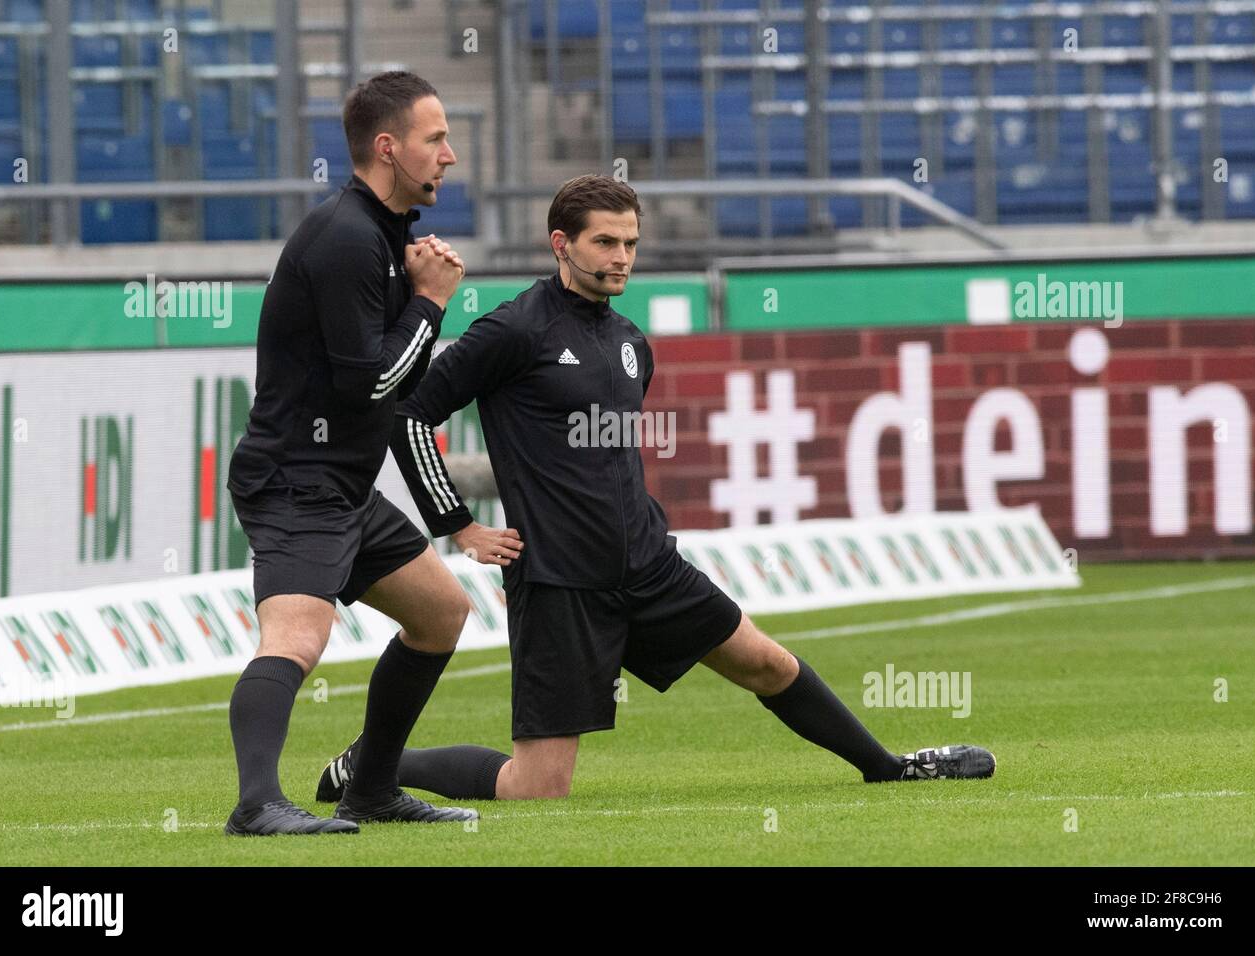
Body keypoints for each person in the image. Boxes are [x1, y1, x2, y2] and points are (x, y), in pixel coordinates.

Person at [315, 175, 996, 805]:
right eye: (605, 242)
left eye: (631, 243)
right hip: (559, 581)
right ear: (562, 244)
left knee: (765, 661)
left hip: (645, 562)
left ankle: (888, 767)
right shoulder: (515, 329)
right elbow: (407, 414)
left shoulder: (631, 343)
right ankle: (377, 763)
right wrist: (459, 525)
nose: (622, 257)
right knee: (538, 789)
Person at [224, 71, 478, 834]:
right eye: (436, 139)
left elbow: (380, 385)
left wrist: (415, 293)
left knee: (440, 612)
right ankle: (257, 805)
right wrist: (430, 303)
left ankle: (369, 789)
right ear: (387, 147)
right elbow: (372, 385)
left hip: (340, 484)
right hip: (295, 481)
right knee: (297, 639)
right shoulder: (344, 239)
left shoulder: (380, 236)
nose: (450, 156)